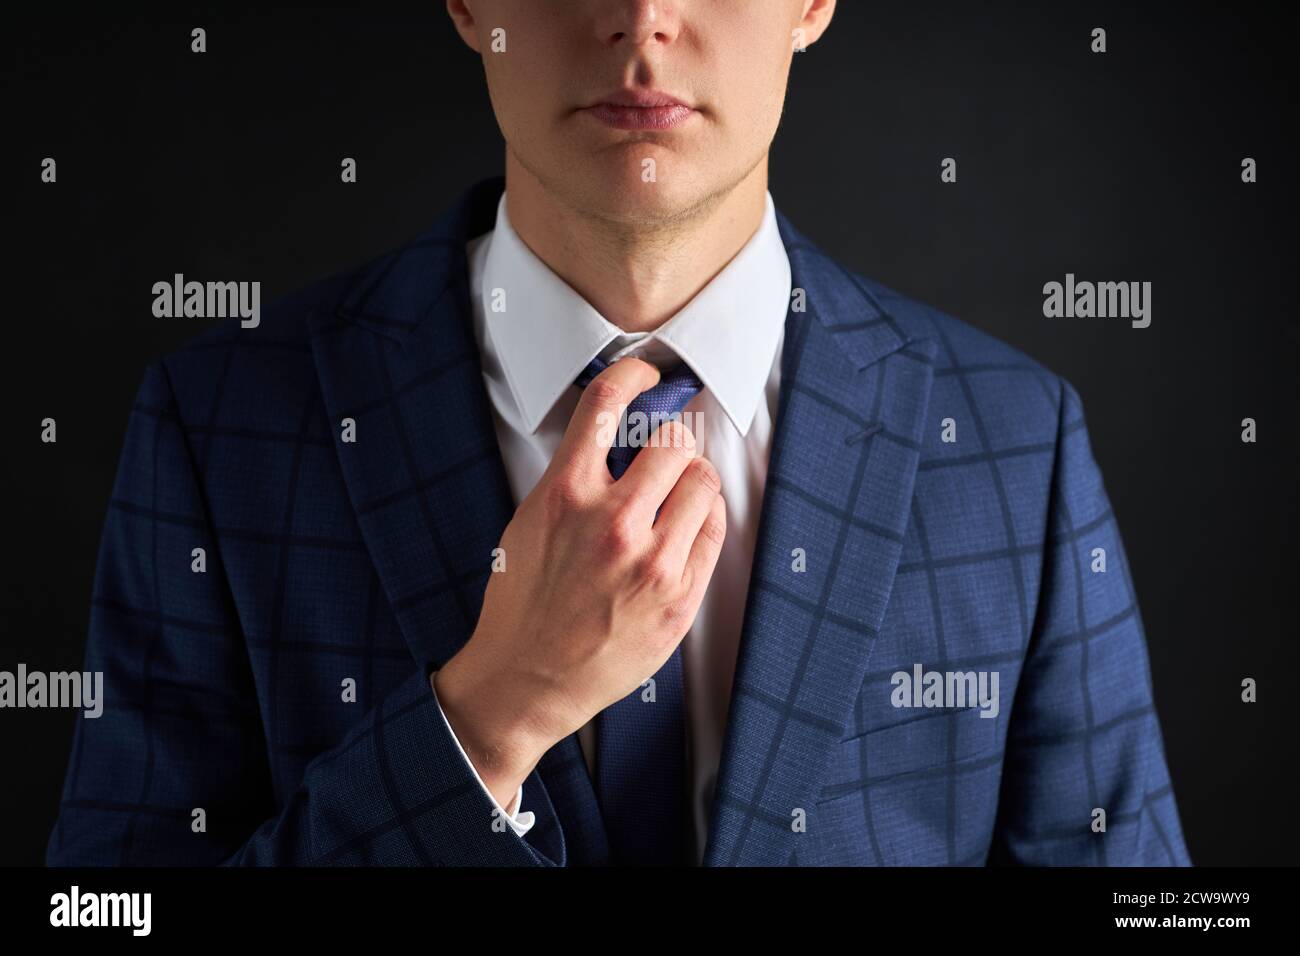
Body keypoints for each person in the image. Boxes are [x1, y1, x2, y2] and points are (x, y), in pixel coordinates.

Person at [47, 0, 1189, 866]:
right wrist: (490, 715)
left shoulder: (1015, 440)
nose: (643, 19)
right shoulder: (218, 422)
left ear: (812, 4)